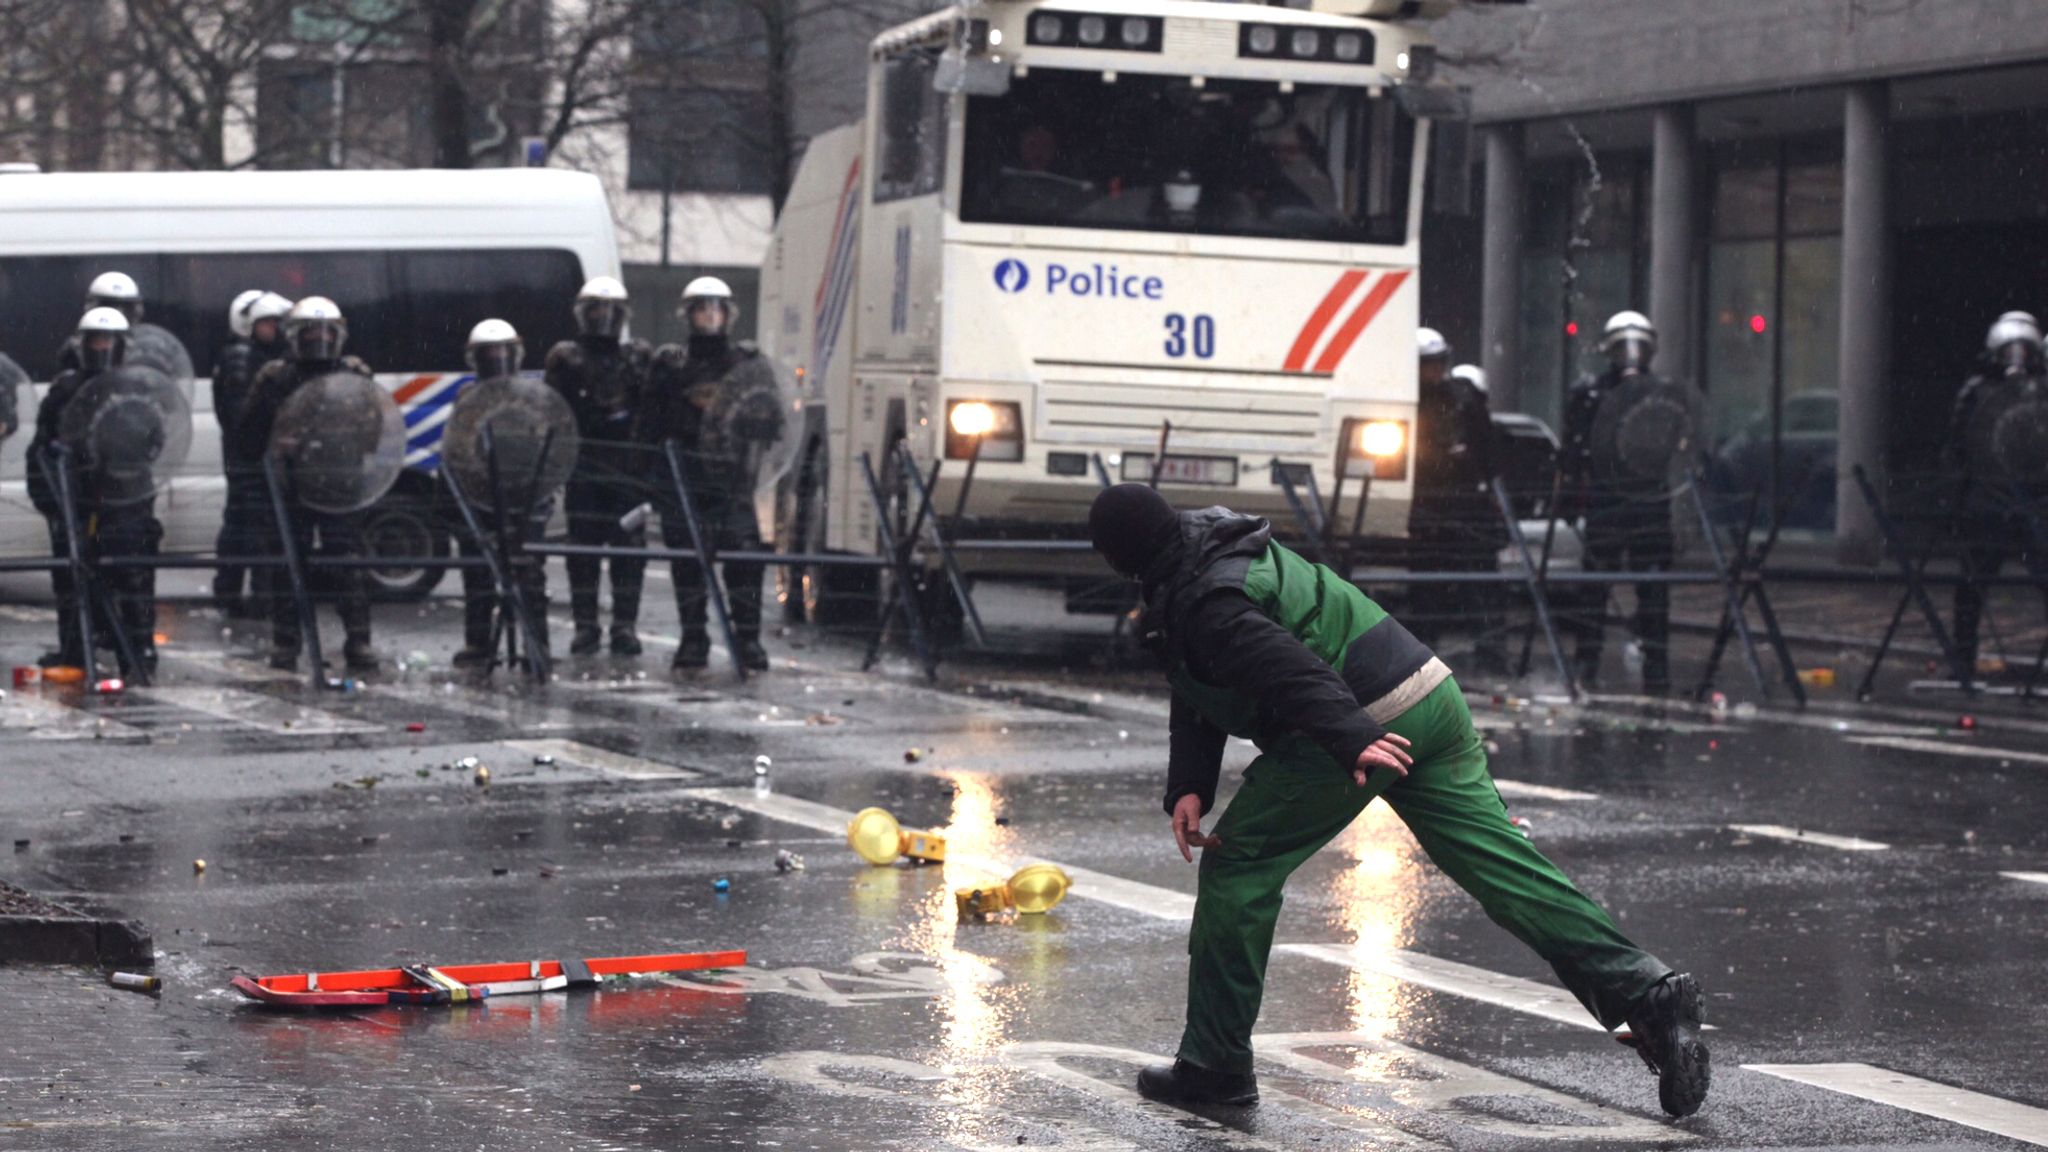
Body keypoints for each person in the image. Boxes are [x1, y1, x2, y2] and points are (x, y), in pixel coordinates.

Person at [1085, 483, 1709, 1118]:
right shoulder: (1214, 552)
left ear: (1114, 558)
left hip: (1359, 719)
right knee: (1503, 871)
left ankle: (1214, 1068)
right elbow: (1207, 677)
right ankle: (1647, 995)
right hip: (1429, 694)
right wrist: (1188, 784)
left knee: (1238, 867)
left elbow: (1281, 664)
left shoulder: (1203, 600)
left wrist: (1354, 738)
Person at [644, 276, 784, 673]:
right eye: (702, 308)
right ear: (689, 315)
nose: (710, 315)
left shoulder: (746, 364)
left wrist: (749, 424)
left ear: (728, 314)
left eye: (716, 308)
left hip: (732, 478)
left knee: (744, 561)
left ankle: (749, 638)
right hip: (685, 476)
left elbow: (772, 418)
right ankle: (693, 638)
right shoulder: (671, 364)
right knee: (688, 565)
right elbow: (651, 422)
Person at [237, 296, 379, 672]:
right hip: (290, 485)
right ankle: (287, 642)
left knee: (348, 563)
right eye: (310, 331)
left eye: (325, 331)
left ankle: (359, 639)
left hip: (339, 482)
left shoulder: (354, 374)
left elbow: (373, 430)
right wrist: (279, 436)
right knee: (287, 563)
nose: (319, 339)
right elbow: (248, 436)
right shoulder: (275, 377)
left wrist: (338, 443)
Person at [27, 307, 164, 675]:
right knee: (72, 580)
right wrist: (52, 501)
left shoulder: (137, 387)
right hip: (78, 500)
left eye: (109, 341)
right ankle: (74, 651)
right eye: (96, 340)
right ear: (83, 344)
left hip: (126, 498)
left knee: (133, 576)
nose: (102, 347)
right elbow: (42, 447)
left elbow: (154, 440)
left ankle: (139, 651)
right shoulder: (66, 389)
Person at [1557, 311, 1686, 693]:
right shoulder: (1592, 393)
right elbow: (1575, 448)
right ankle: (1587, 662)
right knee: (1594, 590)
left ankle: (1657, 667)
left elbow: (1679, 444)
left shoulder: (1662, 395)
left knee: (1653, 593)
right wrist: (1569, 498)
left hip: (1648, 502)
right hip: (1608, 501)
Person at [545, 276, 653, 657]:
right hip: (585, 469)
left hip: (626, 472)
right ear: (583, 314)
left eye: (610, 311)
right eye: (596, 310)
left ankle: (624, 626)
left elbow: (653, 408)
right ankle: (586, 627)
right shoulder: (568, 359)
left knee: (630, 554)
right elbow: (553, 413)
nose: (603, 318)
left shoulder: (636, 357)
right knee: (583, 554)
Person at [1947, 311, 2048, 686]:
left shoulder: (2042, 391)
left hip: (2034, 502)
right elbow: (1959, 446)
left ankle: (1962, 661)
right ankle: (1962, 660)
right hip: (1989, 501)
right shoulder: (1975, 391)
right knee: (1972, 587)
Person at [452, 318, 553, 668]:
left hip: (522, 494)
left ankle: (536, 644)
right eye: (488, 353)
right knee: (477, 571)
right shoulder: (467, 398)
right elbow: (457, 446)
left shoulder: (531, 398)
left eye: (501, 352)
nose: (495, 359)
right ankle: (478, 642)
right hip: (480, 493)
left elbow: (546, 447)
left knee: (529, 573)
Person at [1407, 328, 1506, 674]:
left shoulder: (1463, 399)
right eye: (1426, 364)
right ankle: (1423, 661)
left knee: (1478, 588)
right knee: (1426, 591)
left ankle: (1490, 656)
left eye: (1438, 363)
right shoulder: (1406, 403)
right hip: (1425, 510)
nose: (1433, 371)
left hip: (1464, 510)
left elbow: (1489, 451)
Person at [211, 290, 292, 618]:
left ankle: (232, 593)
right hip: (252, 457)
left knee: (242, 526)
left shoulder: (248, 354)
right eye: (269, 323)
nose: (276, 329)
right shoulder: (243, 358)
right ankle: (260, 597)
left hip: (247, 456)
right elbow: (242, 415)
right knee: (257, 528)